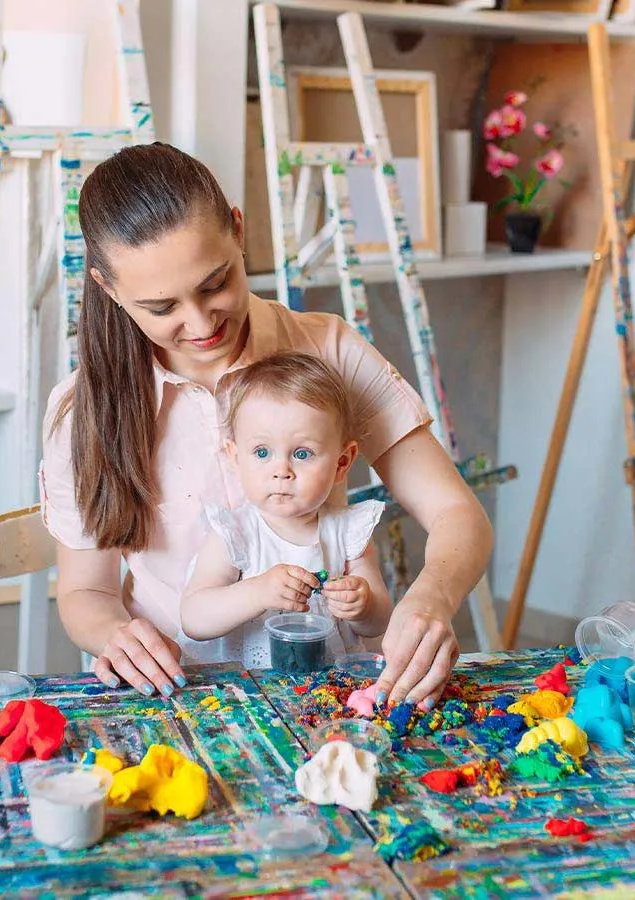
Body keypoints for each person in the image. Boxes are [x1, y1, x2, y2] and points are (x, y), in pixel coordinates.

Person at [39, 142, 493, 710]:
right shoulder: (84, 409)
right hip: (179, 696)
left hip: (327, 691)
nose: (201, 324)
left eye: (215, 284)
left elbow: (457, 514)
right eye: (162, 308)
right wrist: (115, 635)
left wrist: (431, 597)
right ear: (109, 288)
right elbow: (87, 590)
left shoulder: (327, 349)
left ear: (237, 229)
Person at [178, 352, 391, 668]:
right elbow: (194, 619)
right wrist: (257, 593)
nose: (281, 470)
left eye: (302, 453)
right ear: (235, 457)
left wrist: (362, 605)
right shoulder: (235, 533)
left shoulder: (349, 533)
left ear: (341, 463)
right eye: (262, 452)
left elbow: (379, 623)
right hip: (250, 691)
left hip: (328, 685)